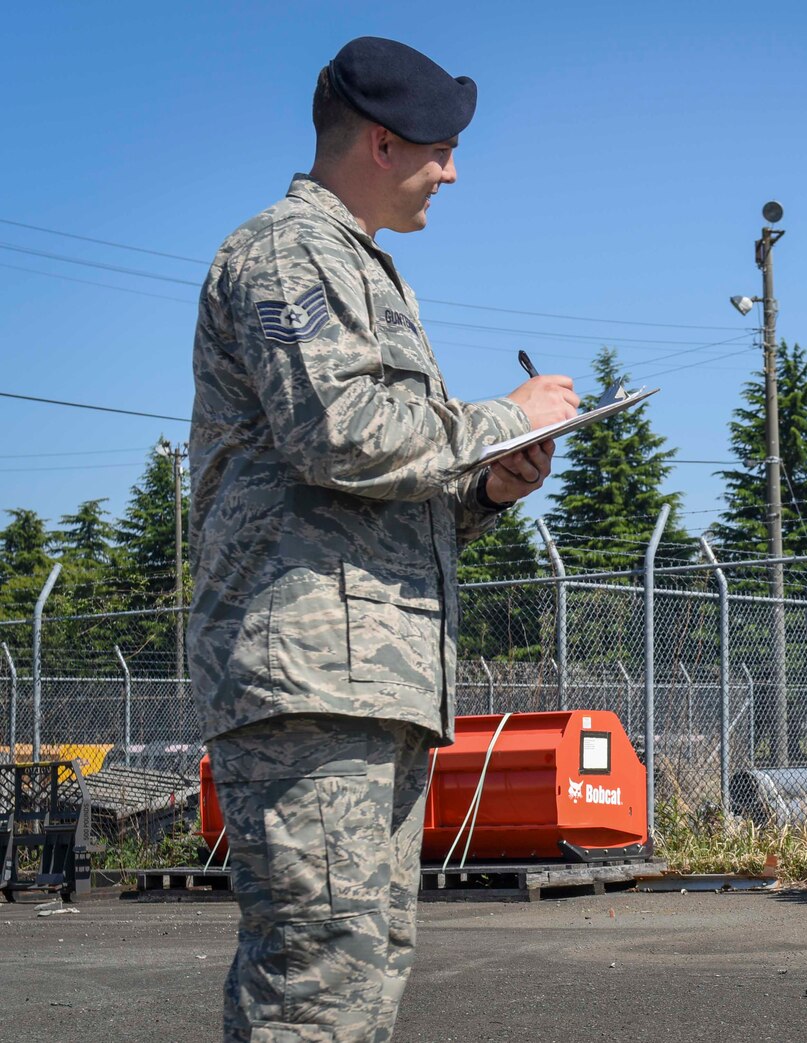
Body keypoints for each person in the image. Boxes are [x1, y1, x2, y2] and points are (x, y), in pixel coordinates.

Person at [188, 36, 579, 1042]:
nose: (450, 171)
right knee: (316, 973)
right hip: (311, 672)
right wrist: (503, 415)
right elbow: (341, 434)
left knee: (360, 964)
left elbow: (378, 484)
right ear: (379, 141)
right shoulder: (284, 251)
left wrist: (488, 486)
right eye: (439, 148)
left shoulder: (364, 268)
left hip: (371, 674)